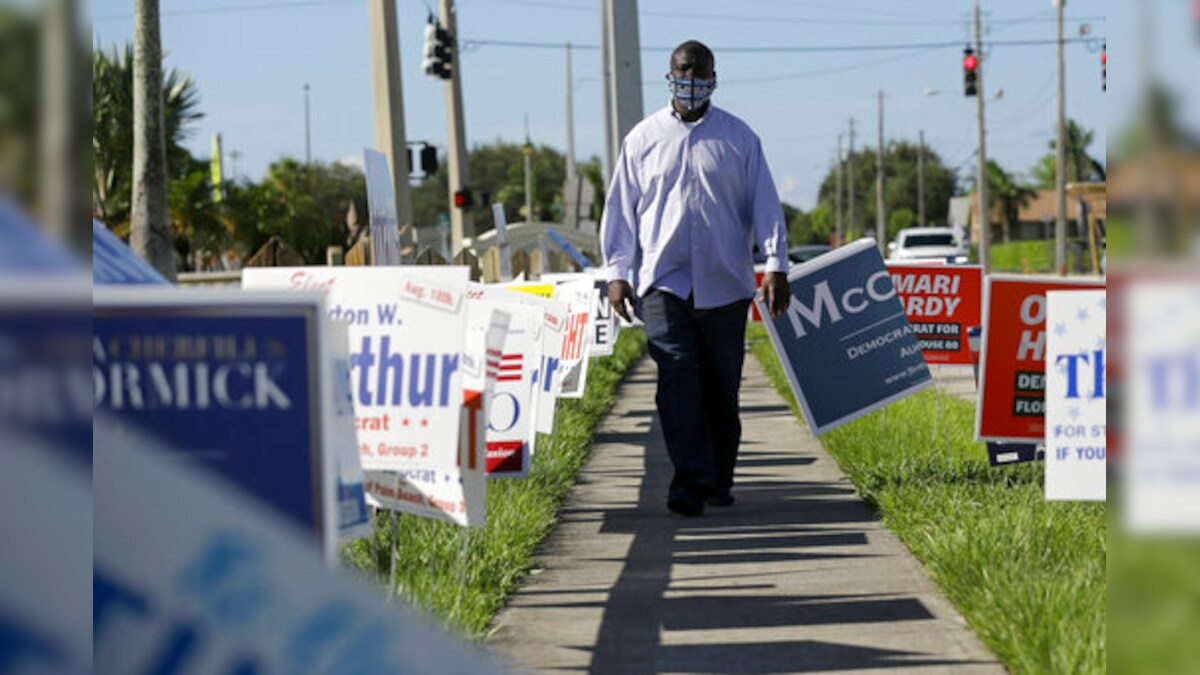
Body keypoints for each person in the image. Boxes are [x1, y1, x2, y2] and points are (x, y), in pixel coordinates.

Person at [600, 40, 790, 517]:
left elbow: (765, 206)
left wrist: (775, 265)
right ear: (670, 74)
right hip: (663, 283)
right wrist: (616, 274)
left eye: (700, 72)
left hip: (724, 284)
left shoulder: (739, 139)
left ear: (713, 76)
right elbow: (621, 211)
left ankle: (718, 477)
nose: (691, 80)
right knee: (677, 376)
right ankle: (689, 482)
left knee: (721, 389)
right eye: (683, 71)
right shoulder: (642, 140)